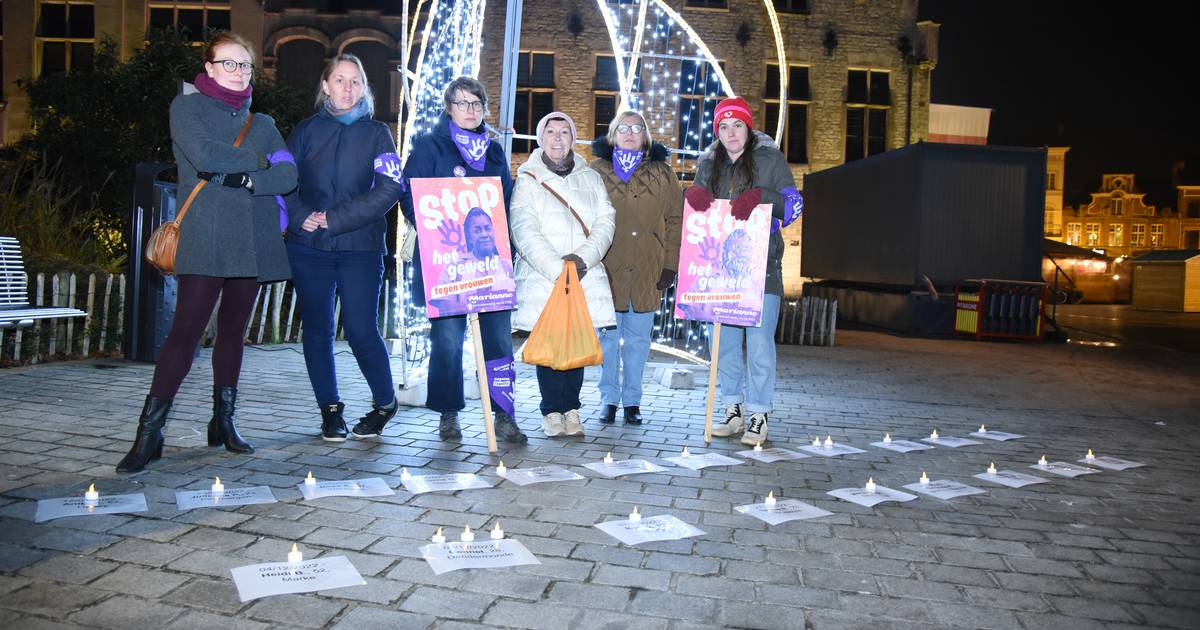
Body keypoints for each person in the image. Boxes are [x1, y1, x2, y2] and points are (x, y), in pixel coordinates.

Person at [117, 32, 297, 473]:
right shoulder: (188, 107)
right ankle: (149, 434)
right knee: (186, 331)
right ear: (210, 67)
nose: (238, 73)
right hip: (209, 234)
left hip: (252, 239)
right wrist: (260, 163)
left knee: (234, 334)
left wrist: (249, 179)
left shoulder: (265, 122)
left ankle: (224, 421)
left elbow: (289, 175)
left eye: (245, 65)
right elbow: (202, 155)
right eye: (229, 64)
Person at [283, 53, 405, 442]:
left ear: (364, 88)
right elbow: (283, 180)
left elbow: (390, 188)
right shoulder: (303, 131)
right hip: (308, 247)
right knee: (316, 330)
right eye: (339, 80)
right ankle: (330, 411)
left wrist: (335, 218)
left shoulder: (378, 133)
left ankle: (385, 403)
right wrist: (301, 214)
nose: (347, 88)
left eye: (355, 81)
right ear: (325, 86)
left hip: (360, 247)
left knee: (360, 330)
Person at [402, 77, 527, 444]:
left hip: (489, 265)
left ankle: (503, 413)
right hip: (447, 266)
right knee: (447, 341)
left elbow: (504, 201)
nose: (470, 110)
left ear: (484, 108)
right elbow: (409, 194)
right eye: (462, 103)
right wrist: (429, 225)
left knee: (499, 342)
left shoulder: (494, 152)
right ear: (449, 108)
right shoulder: (429, 147)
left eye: (476, 103)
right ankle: (448, 412)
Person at [685, 96, 803, 446]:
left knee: (760, 342)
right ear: (717, 130)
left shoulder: (770, 158)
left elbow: (794, 206)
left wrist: (762, 195)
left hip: (761, 265)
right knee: (723, 343)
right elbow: (699, 206)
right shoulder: (710, 163)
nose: (731, 132)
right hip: (719, 268)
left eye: (737, 125)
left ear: (748, 127)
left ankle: (758, 413)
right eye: (723, 126)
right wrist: (693, 197)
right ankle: (732, 409)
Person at [510, 112, 616, 437]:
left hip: (583, 274)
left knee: (577, 343)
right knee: (550, 345)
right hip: (547, 277)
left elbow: (606, 220)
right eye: (551, 132)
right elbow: (523, 227)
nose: (558, 139)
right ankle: (551, 411)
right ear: (541, 138)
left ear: (573, 139)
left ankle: (572, 408)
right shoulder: (528, 179)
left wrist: (582, 261)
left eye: (564, 133)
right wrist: (559, 269)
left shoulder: (592, 177)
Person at [589, 111, 682, 425]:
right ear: (613, 133)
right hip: (608, 267)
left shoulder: (663, 173)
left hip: (647, 268)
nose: (630, 133)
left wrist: (671, 264)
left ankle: (632, 401)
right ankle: (609, 399)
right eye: (623, 128)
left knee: (639, 340)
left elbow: (675, 220)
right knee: (608, 339)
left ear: (645, 136)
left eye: (637, 128)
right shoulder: (595, 171)